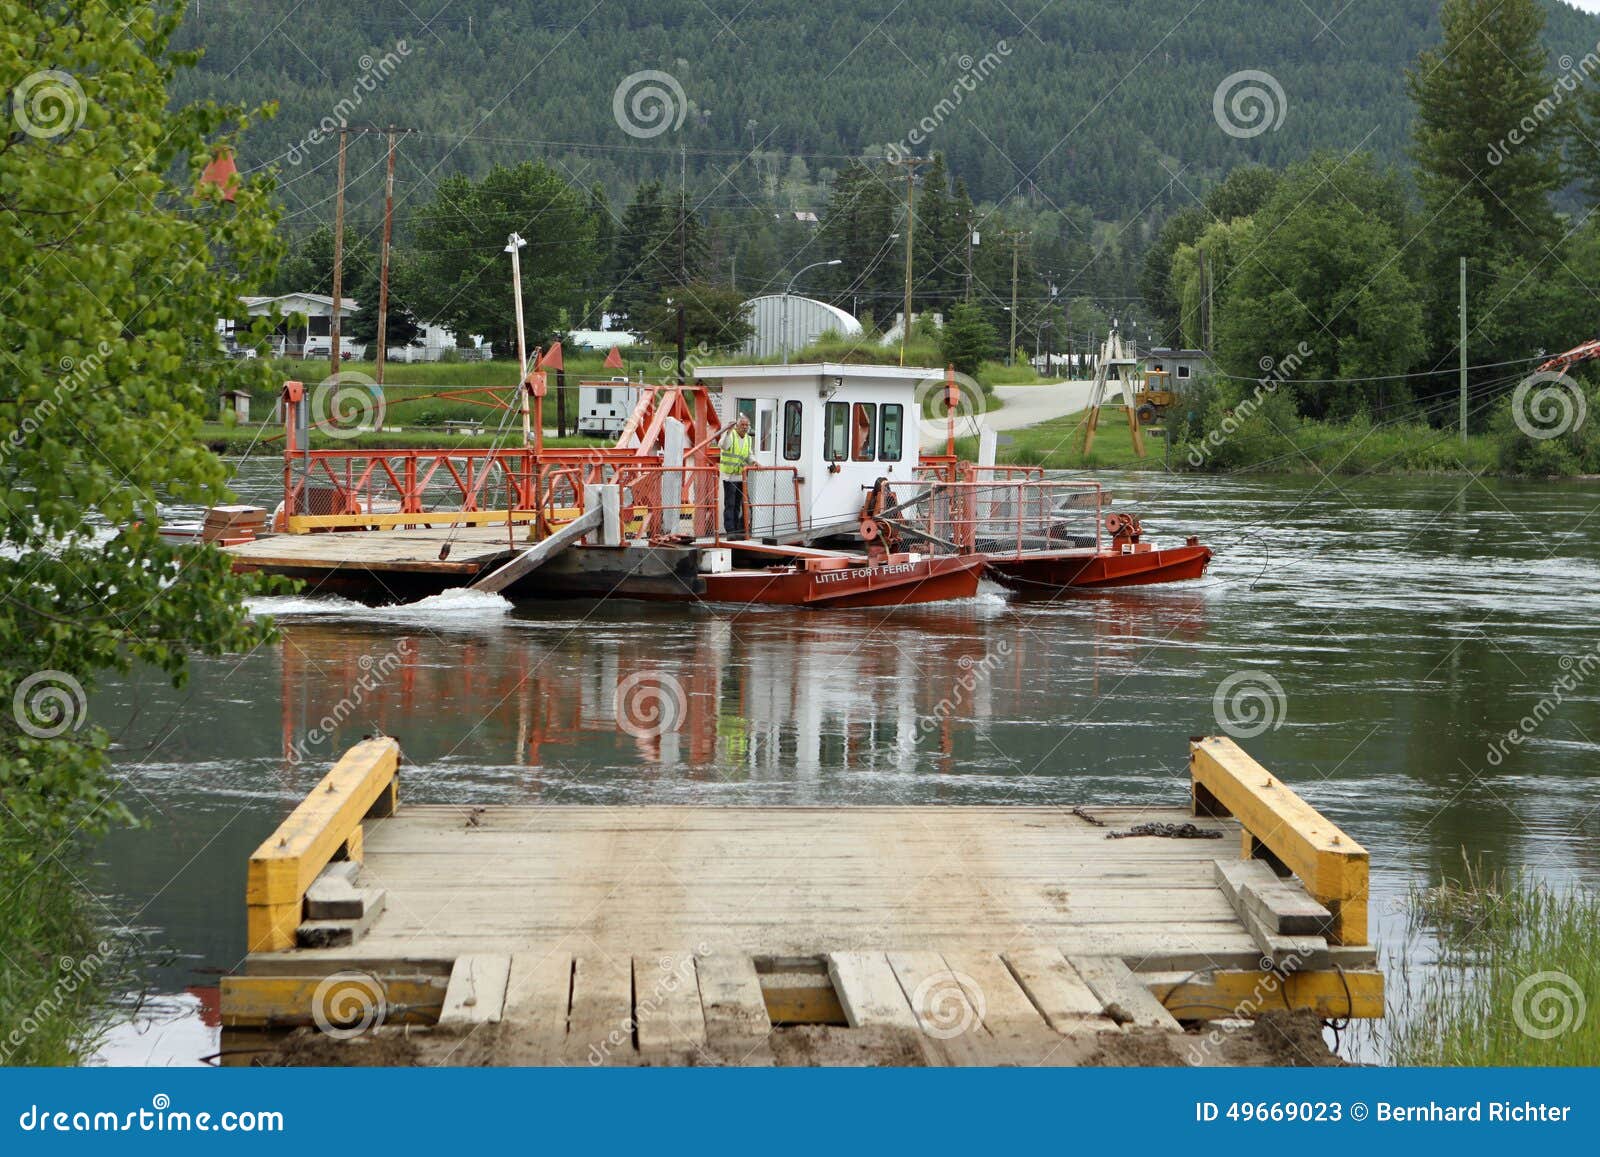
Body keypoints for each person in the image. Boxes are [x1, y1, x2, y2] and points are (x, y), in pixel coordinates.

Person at [691, 413, 754, 537]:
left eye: (747, 425)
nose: (745, 427)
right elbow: (723, 445)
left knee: (738, 504)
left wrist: (754, 461)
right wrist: (728, 432)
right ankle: (730, 531)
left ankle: (737, 529)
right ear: (737, 426)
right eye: (742, 425)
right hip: (729, 476)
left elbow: (748, 455)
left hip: (741, 476)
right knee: (730, 504)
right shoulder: (731, 435)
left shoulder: (748, 438)